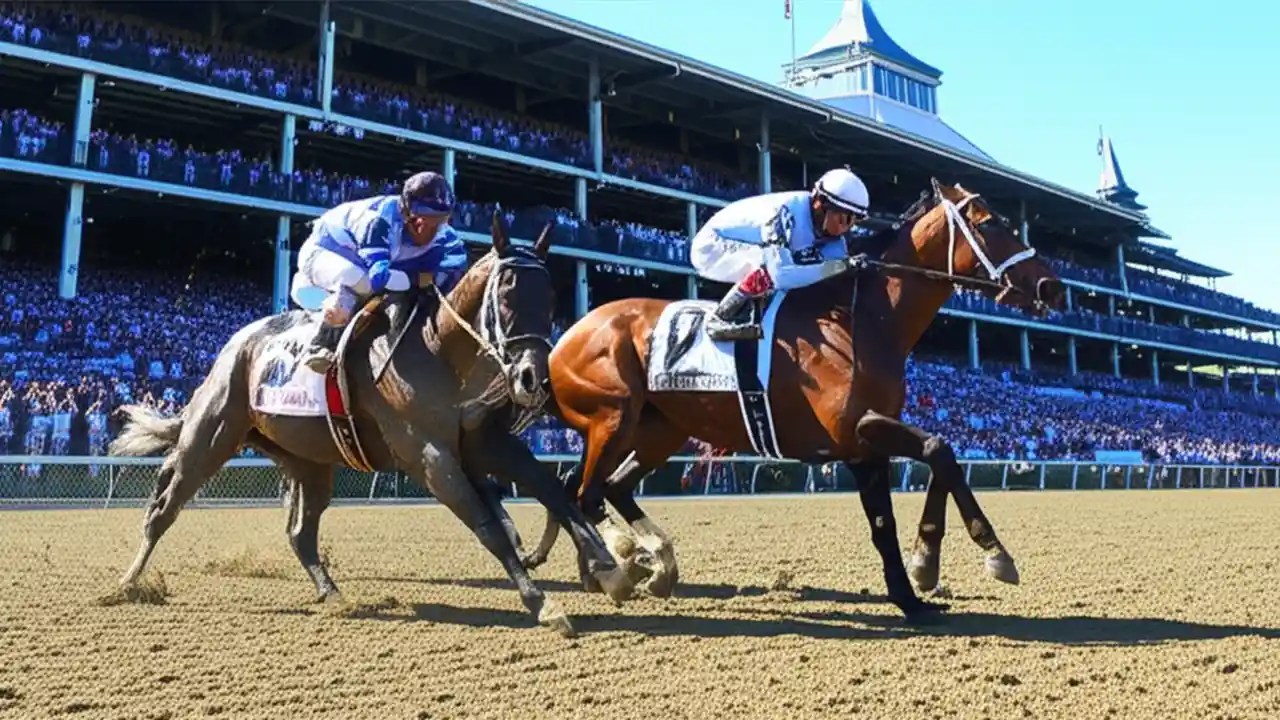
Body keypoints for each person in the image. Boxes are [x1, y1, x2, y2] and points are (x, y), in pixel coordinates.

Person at [291, 171, 466, 373]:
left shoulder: (450, 241)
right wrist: (419, 279)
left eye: (439, 219)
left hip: (381, 267)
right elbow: (379, 279)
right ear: (406, 212)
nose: (429, 230)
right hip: (327, 252)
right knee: (360, 281)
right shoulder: (378, 221)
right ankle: (322, 341)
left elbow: (452, 280)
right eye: (422, 219)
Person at [689, 167, 874, 341]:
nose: (847, 228)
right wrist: (839, 266)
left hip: (752, 248)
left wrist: (849, 267)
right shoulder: (781, 214)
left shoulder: (833, 237)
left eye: (854, 221)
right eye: (844, 218)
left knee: (813, 268)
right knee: (769, 267)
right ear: (820, 204)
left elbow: (835, 270)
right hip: (712, 246)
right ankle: (719, 318)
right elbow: (781, 276)